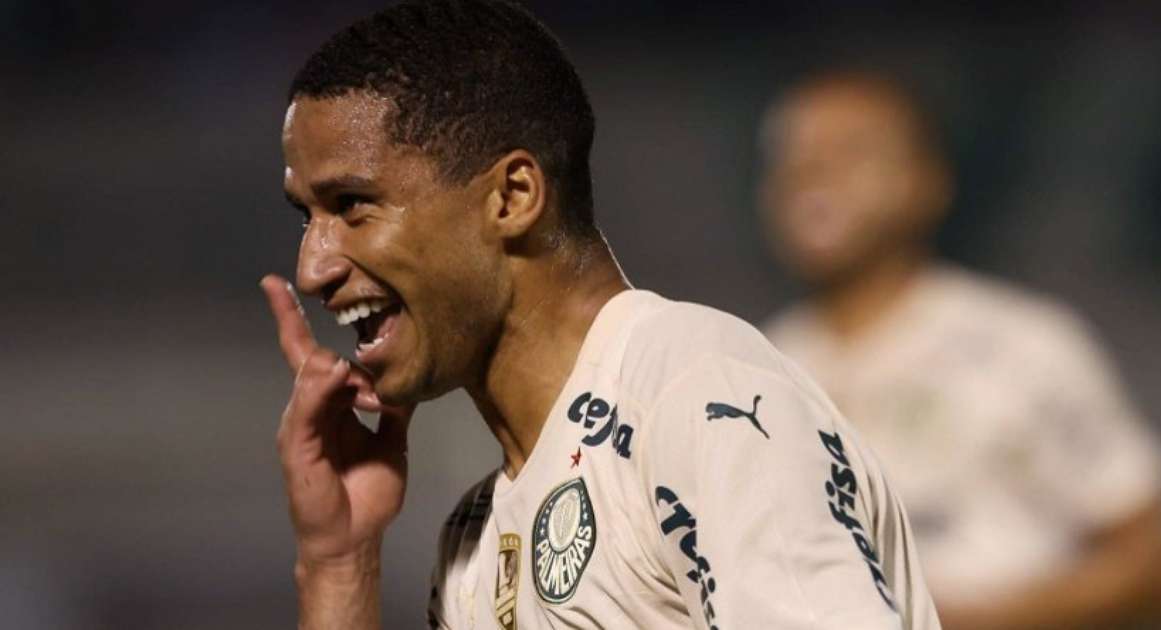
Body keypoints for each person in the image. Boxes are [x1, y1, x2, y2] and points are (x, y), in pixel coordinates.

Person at [260, 2, 942, 629]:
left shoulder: (703, 397)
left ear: (512, 196)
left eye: (351, 205)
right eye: (307, 217)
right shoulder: (475, 539)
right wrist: (338, 565)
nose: (312, 268)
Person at [758, 70, 1161, 630]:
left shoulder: (1023, 345)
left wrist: (959, 620)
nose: (811, 171)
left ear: (926, 183)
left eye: (852, 151)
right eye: (790, 156)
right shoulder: (752, 370)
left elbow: (1156, 569)